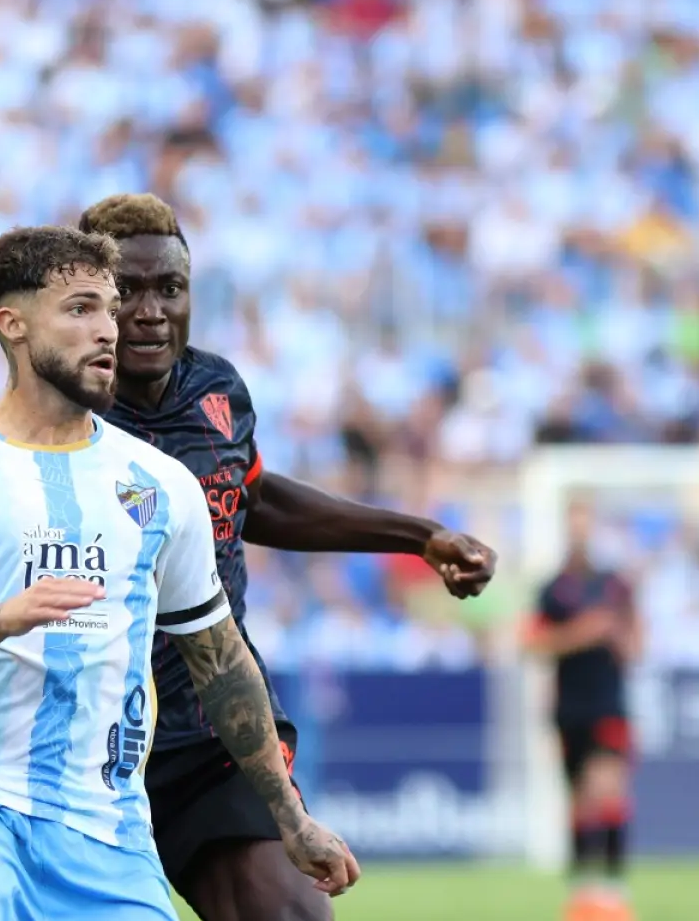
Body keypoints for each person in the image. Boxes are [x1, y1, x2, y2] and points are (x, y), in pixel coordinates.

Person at [0, 226, 359, 921]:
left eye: (109, 309)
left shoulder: (160, 483)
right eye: (80, 309)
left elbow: (221, 663)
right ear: (12, 324)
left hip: (112, 835)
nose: (109, 330)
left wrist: (291, 816)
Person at [77, 192, 497, 921]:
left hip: (209, 734)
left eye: (169, 288)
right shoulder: (59, 413)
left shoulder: (217, 391)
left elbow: (253, 497)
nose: (150, 312)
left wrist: (418, 536)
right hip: (82, 736)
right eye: (127, 293)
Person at [527, 500, 639, 921]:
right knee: (577, 797)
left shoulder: (616, 586)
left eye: (586, 522)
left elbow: (637, 644)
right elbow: (534, 643)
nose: (581, 531)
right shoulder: (552, 589)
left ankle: (613, 886)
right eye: (574, 523)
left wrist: (619, 637)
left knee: (608, 787)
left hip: (608, 702)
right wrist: (583, 632)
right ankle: (581, 890)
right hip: (569, 705)